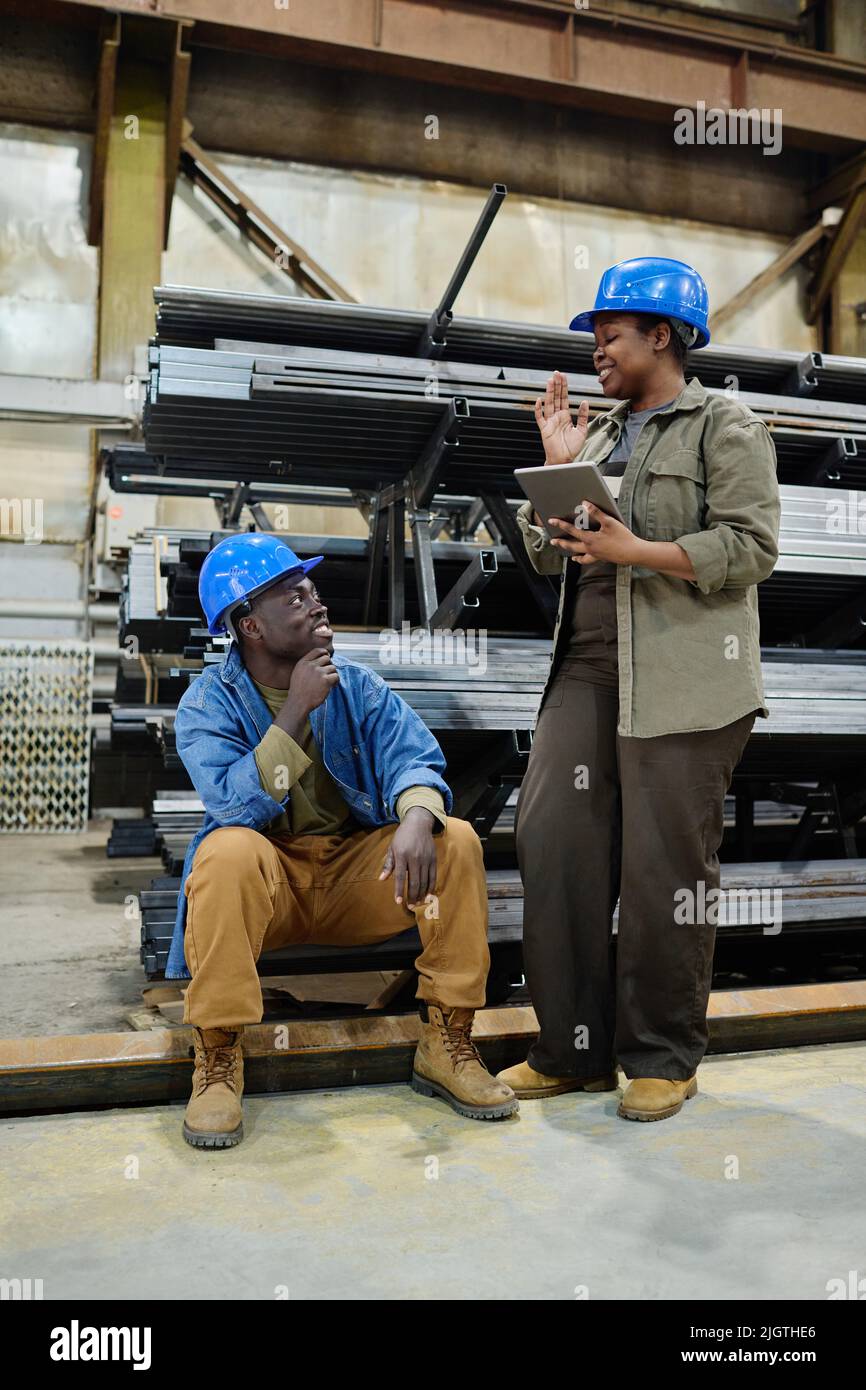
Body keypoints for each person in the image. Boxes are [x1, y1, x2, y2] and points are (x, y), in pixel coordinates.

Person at [497, 256, 780, 1121]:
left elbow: (751, 548)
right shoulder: (603, 434)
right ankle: (571, 1050)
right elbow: (549, 555)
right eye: (593, 338)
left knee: (664, 873)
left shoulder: (723, 427)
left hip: (683, 677)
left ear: (663, 335)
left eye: (610, 335)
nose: (596, 352)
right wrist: (556, 472)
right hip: (585, 670)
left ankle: (661, 1055)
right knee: (554, 847)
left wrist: (638, 552)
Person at [167, 533, 517, 1147]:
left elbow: (417, 762)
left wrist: (415, 816)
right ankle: (219, 1058)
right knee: (225, 850)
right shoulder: (207, 703)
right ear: (250, 625)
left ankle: (447, 1042)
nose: (317, 603)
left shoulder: (357, 687)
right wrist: (295, 710)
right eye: (294, 598)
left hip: (356, 885)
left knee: (452, 839)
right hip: (267, 891)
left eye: (312, 590)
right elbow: (236, 806)